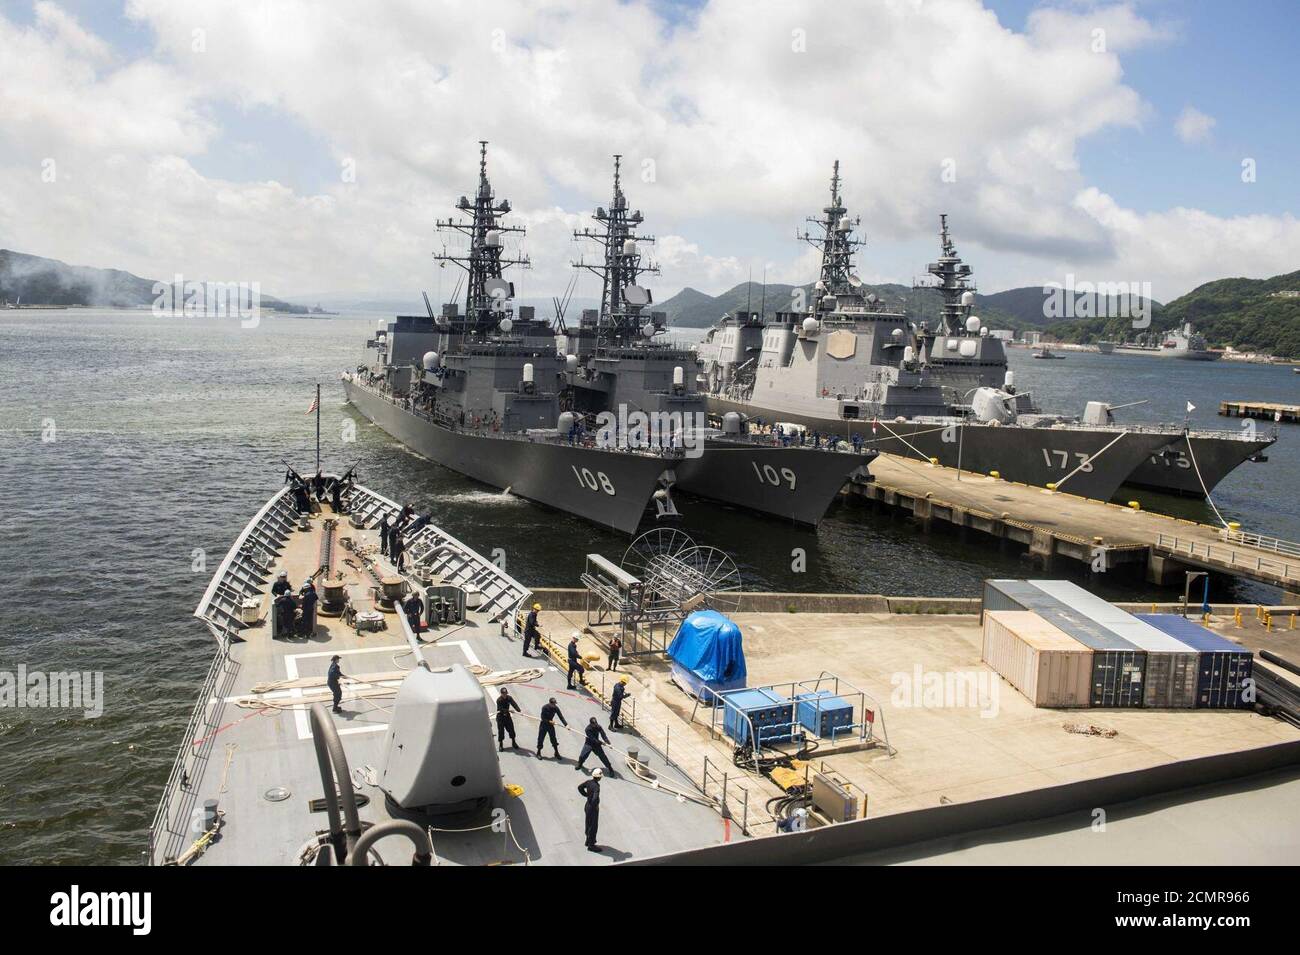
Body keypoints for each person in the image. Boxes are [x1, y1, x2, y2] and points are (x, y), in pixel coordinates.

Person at [577, 769, 603, 853]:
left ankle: (588, 840)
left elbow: (580, 787)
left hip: (587, 806)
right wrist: (595, 806)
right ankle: (591, 846)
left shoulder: (588, 782)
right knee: (593, 826)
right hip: (592, 808)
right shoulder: (596, 786)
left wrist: (586, 795)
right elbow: (595, 798)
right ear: (599, 778)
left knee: (588, 824)